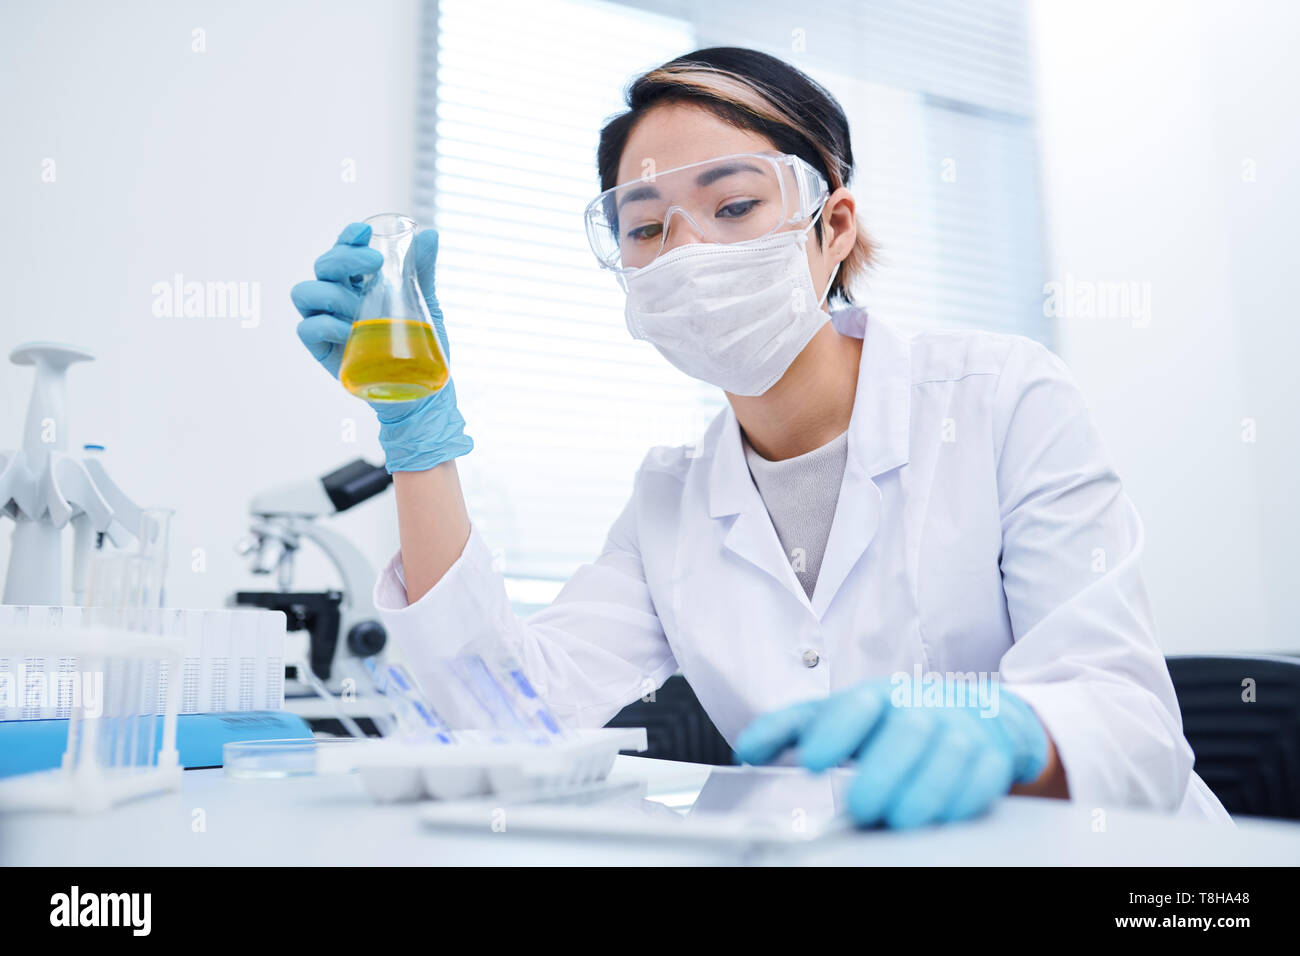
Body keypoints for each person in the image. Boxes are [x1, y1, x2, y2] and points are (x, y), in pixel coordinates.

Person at [291, 47, 1229, 828]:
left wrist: (1015, 730)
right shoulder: (671, 501)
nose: (687, 252)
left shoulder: (1003, 398)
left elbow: (1134, 728)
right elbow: (500, 713)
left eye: (734, 205)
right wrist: (419, 434)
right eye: (647, 228)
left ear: (834, 228)